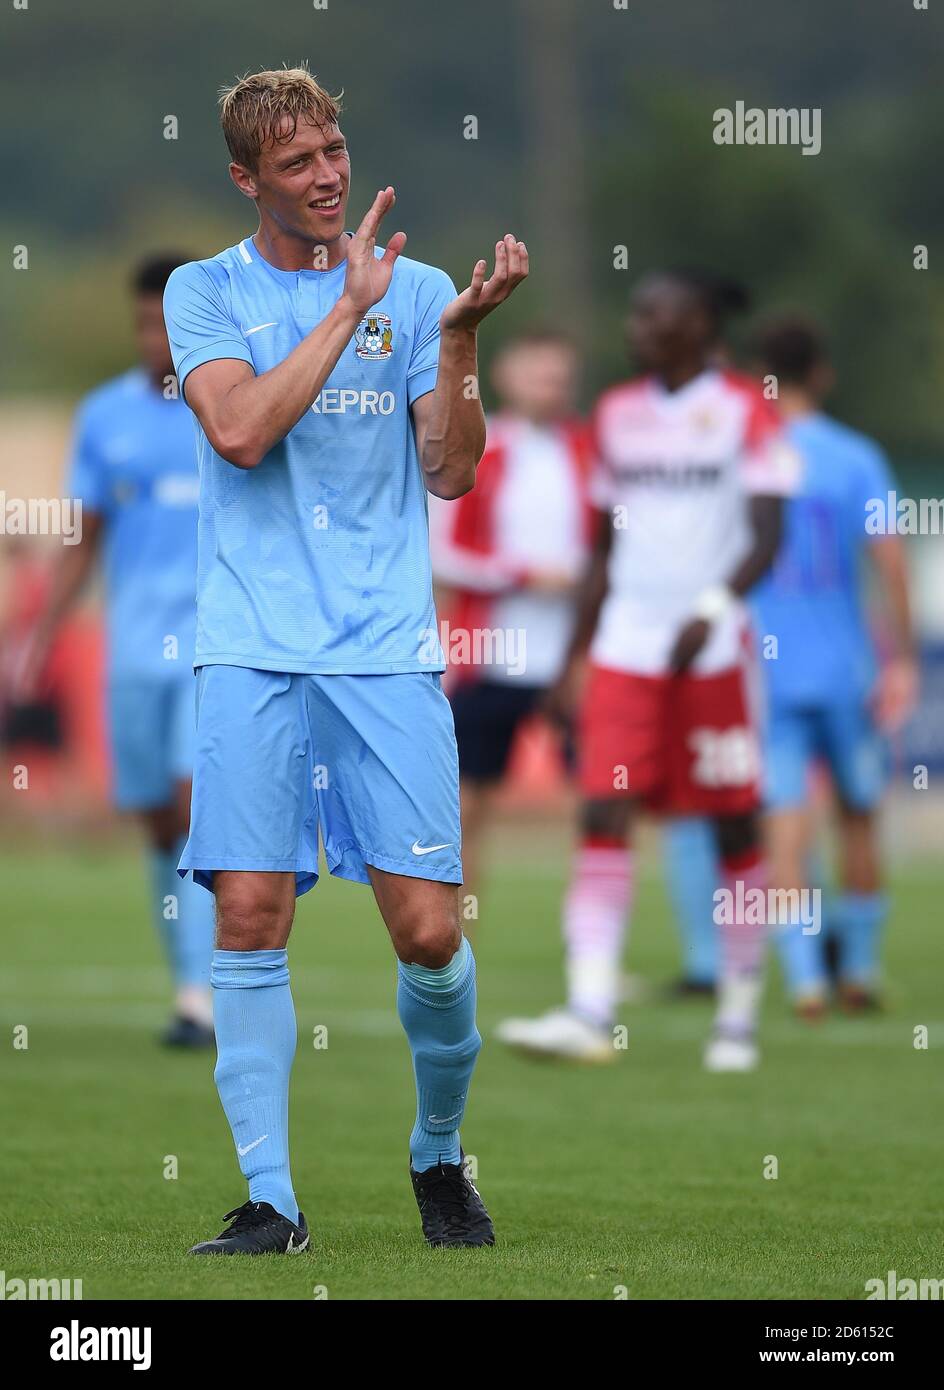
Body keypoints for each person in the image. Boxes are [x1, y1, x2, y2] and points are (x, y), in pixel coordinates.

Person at [161, 65, 528, 1255]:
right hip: (248, 651)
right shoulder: (202, 290)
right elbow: (238, 430)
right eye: (297, 163)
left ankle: (435, 1155)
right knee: (250, 916)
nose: (327, 178)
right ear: (245, 179)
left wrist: (459, 341)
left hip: (381, 653)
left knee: (427, 930)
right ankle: (271, 1201)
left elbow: (452, 470)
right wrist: (341, 310)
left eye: (333, 151)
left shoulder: (418, 292)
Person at [497, 269, 796, 1072]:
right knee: (602, 810)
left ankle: (736, 1016)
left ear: (699, 324)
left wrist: (714, 607)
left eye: (657, 314)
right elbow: (602, 546)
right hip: (627, 648)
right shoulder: (617, 416)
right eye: (636, 314)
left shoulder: (745, 410)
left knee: (733, 821)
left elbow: (767, 535)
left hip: (714, 653)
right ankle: (590, 1010)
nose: (639, 326)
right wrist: (573, 659)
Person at [17, 254, 215, 1047]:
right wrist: (39, 634)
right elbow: (84, 536)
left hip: (216, 642)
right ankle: (186, 981)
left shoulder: (231, 407)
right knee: (160, 820)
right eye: (141, 322)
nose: (152, 338)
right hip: (134, 645)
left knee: (196, 806)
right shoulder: (104, 417)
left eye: (165, 322)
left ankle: (201, 997)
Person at [750, 315, 918, 1014]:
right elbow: (890, 561)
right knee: (858, 816)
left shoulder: (747, 453)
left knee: (786, 820)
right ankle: (861, 969)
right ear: (822, 373)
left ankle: (805, 977)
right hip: (847, 665)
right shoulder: (856, 456)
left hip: (766, 668)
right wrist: (903, 657)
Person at [430, 330, 594, 896]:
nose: (550, 387)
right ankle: (453, 960)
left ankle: (592, 963)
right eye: (537, 373)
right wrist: (525, 574)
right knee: (464, 811)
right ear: (505, 376)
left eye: (559, 375)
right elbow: (442, 555)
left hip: (576, 661)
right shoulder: (480, 448)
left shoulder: (592, 451)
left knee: (600, 810)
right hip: (490, 657)